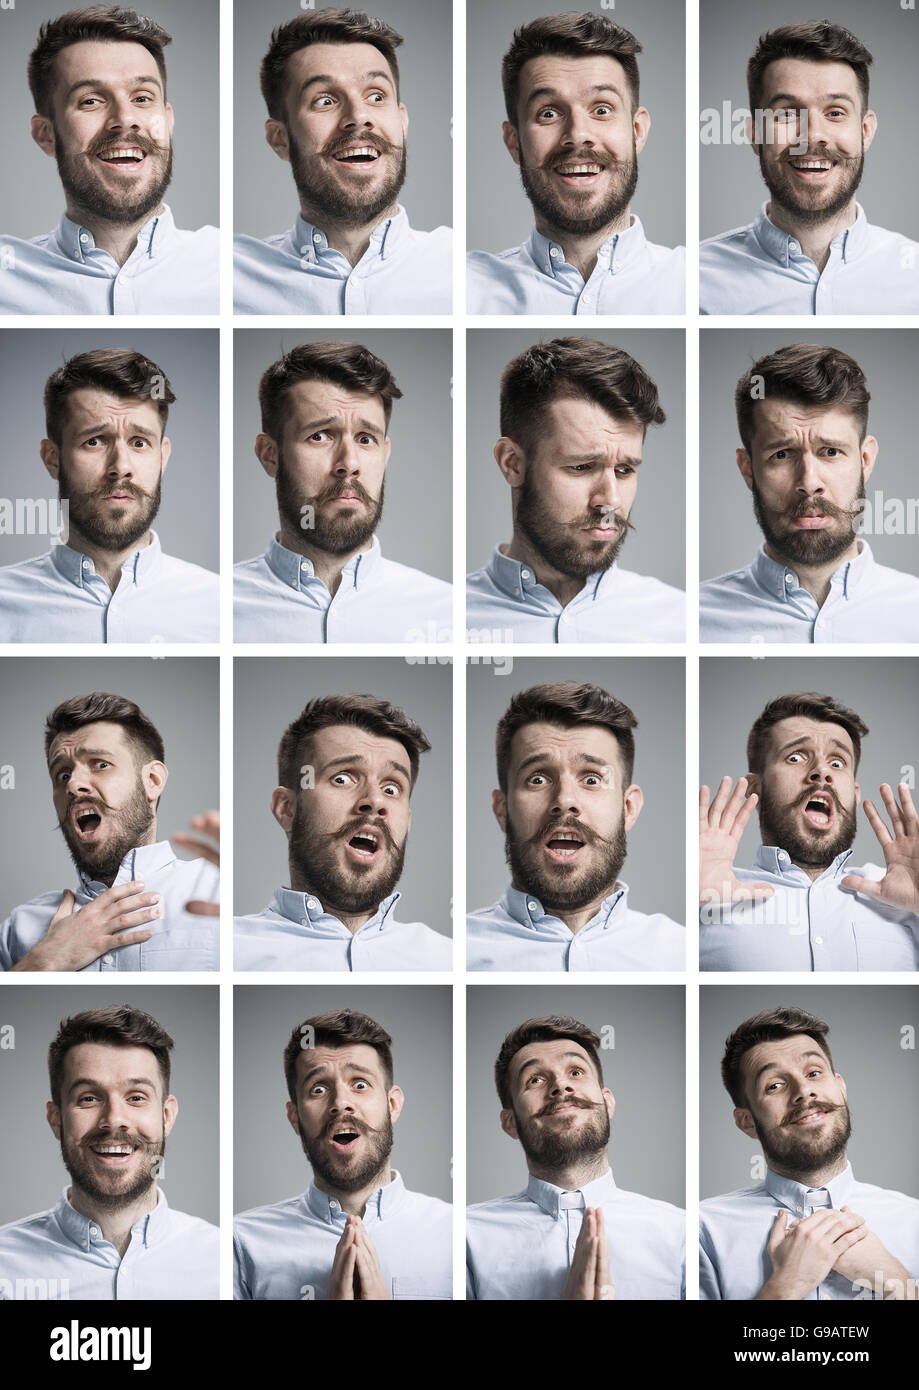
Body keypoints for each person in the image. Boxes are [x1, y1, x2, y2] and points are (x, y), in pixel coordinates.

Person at [0, 5, 218, 314]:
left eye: (142, 98)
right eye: (90, 101)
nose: (125, 119)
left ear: (168, 122)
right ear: (45, 134)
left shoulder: (229, 268)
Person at [466, 338, 685, 642]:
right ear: (512, 464)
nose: (609, 501)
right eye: (581, 467)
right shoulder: (448, 619)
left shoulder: (681, 622)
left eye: (624, 471)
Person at [234, 9, 451, 314]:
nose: (359, 117)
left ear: (402, 122)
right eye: (325, 101)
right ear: (279, 138)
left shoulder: (463, 275)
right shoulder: (228, 279)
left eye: (376, 96)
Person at [234, 341, 452, 643]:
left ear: (384, 453)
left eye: (365, 439)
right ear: (269, 454)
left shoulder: (448, 615)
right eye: (320, 436)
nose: (349, 464)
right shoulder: (219, 609)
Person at [467, 12, 684, 314]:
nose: (578, 135)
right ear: (513, 141)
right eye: (549, 113)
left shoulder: (697, 283)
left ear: (637, 131)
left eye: (602, 109)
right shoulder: (463, 290)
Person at [700, 343, 919, 642]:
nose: (809, 481)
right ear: (748, 468)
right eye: (782, 454)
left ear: (865, 460)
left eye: (830, 451)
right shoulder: (693, 621)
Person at [700, 21, 919, 315]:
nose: (813, 135)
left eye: (836, 112)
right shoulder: (694, 282)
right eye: (788, 113)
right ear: (754, 133)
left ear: (865, 131)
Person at [0, 1004, 218, 1299]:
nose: (114, 1119)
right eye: (89, 1098)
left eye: (136, 1097)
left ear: (166, 1116)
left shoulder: (222, 1262)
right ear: (56, 1119)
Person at [701, 1006, 919, 1300]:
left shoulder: (913, 1220)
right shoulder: (703, 1233)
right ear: (747, 1121)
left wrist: (895, 1280)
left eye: (814, 1073)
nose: (804, 1091)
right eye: (775, 1085)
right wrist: (785, 1286)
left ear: (840, 1088)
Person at [0, 348, 218, 642]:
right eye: (94, 441)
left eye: (139, 442)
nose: (121, 467)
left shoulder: (219, 606)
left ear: (162, 457)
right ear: (52, 458)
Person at [234, 1008, 452, 1299]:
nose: (341, 1102)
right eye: (319, 1089)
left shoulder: (456, 1234)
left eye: (360, 1084)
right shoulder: (240, 1244)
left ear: (393, 1105)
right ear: (295, 1117)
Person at [467, 682, 684, 971]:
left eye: (592, 779)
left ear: (628, 808)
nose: (565, 800)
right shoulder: (455, 955)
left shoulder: (684, 953)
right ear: (502, 809)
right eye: (538, 779)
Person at [466, 1015, 684, 1299]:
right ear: (510, 1122)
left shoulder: (680, 1233)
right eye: (535, 1079)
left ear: (607, 1102)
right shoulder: (465, 1238)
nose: (560, 1086)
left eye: (576, 1072)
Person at [0, 692, 219, 972]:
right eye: (62, 775)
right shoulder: (19, 929)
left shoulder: (215, 892)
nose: (73, 785)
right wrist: (44, 962)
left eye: (100, 764)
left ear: (152, 780)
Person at [700, 691, 919, 970]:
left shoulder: (905, 896)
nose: (822, 772)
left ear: (853, 793)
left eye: (837, 762)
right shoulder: (711, 895)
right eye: (795, 757)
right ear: (756, 788)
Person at [235, 693, 451, 970]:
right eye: (342, 778)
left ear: (407, 821)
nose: (375, 800)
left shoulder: (449, 960)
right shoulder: (223, 951)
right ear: (287, 808)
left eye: (391, 788)